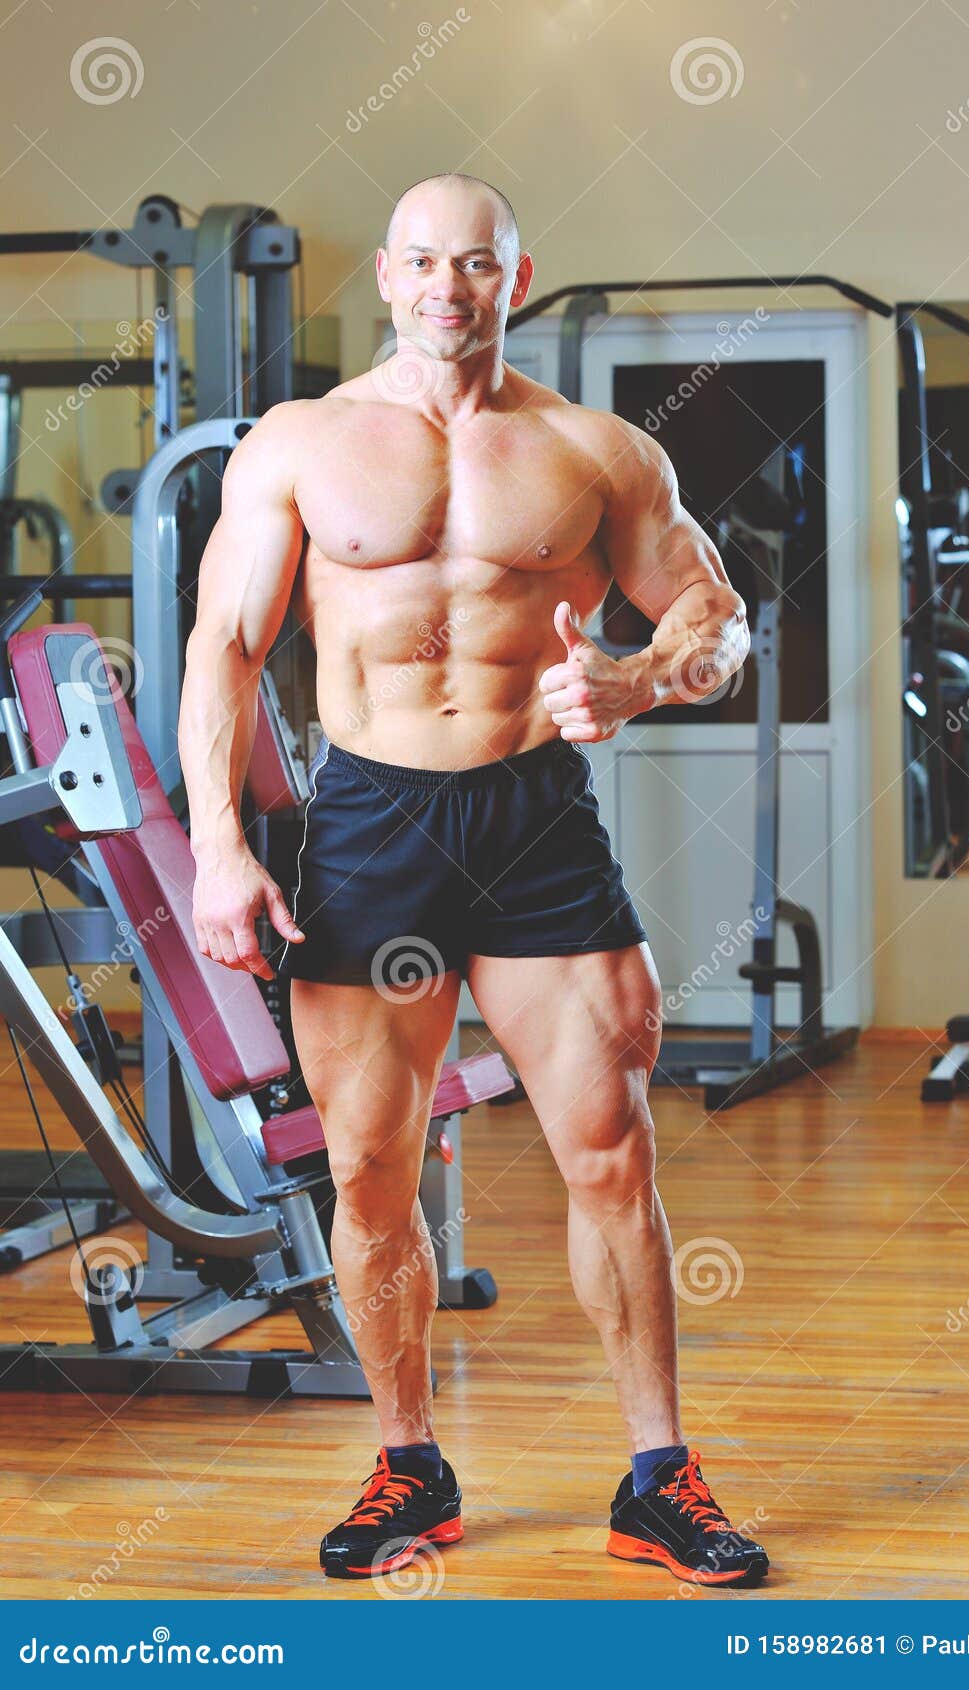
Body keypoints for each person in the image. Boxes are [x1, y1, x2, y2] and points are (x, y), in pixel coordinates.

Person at [179, 171, 767, 1589]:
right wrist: (216, 841)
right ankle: (408, 1463)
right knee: (372, 1166)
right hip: (372, 823)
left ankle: (657, 1476)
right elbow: (223, 647)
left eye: (480, 265)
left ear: (517, 278)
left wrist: (642, 679)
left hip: (533, 823)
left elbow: (719, 621)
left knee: (609, 1145)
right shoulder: (302, 445)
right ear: (388, 275)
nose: (451, 287)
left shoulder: (595, 451)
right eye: (427, 262)